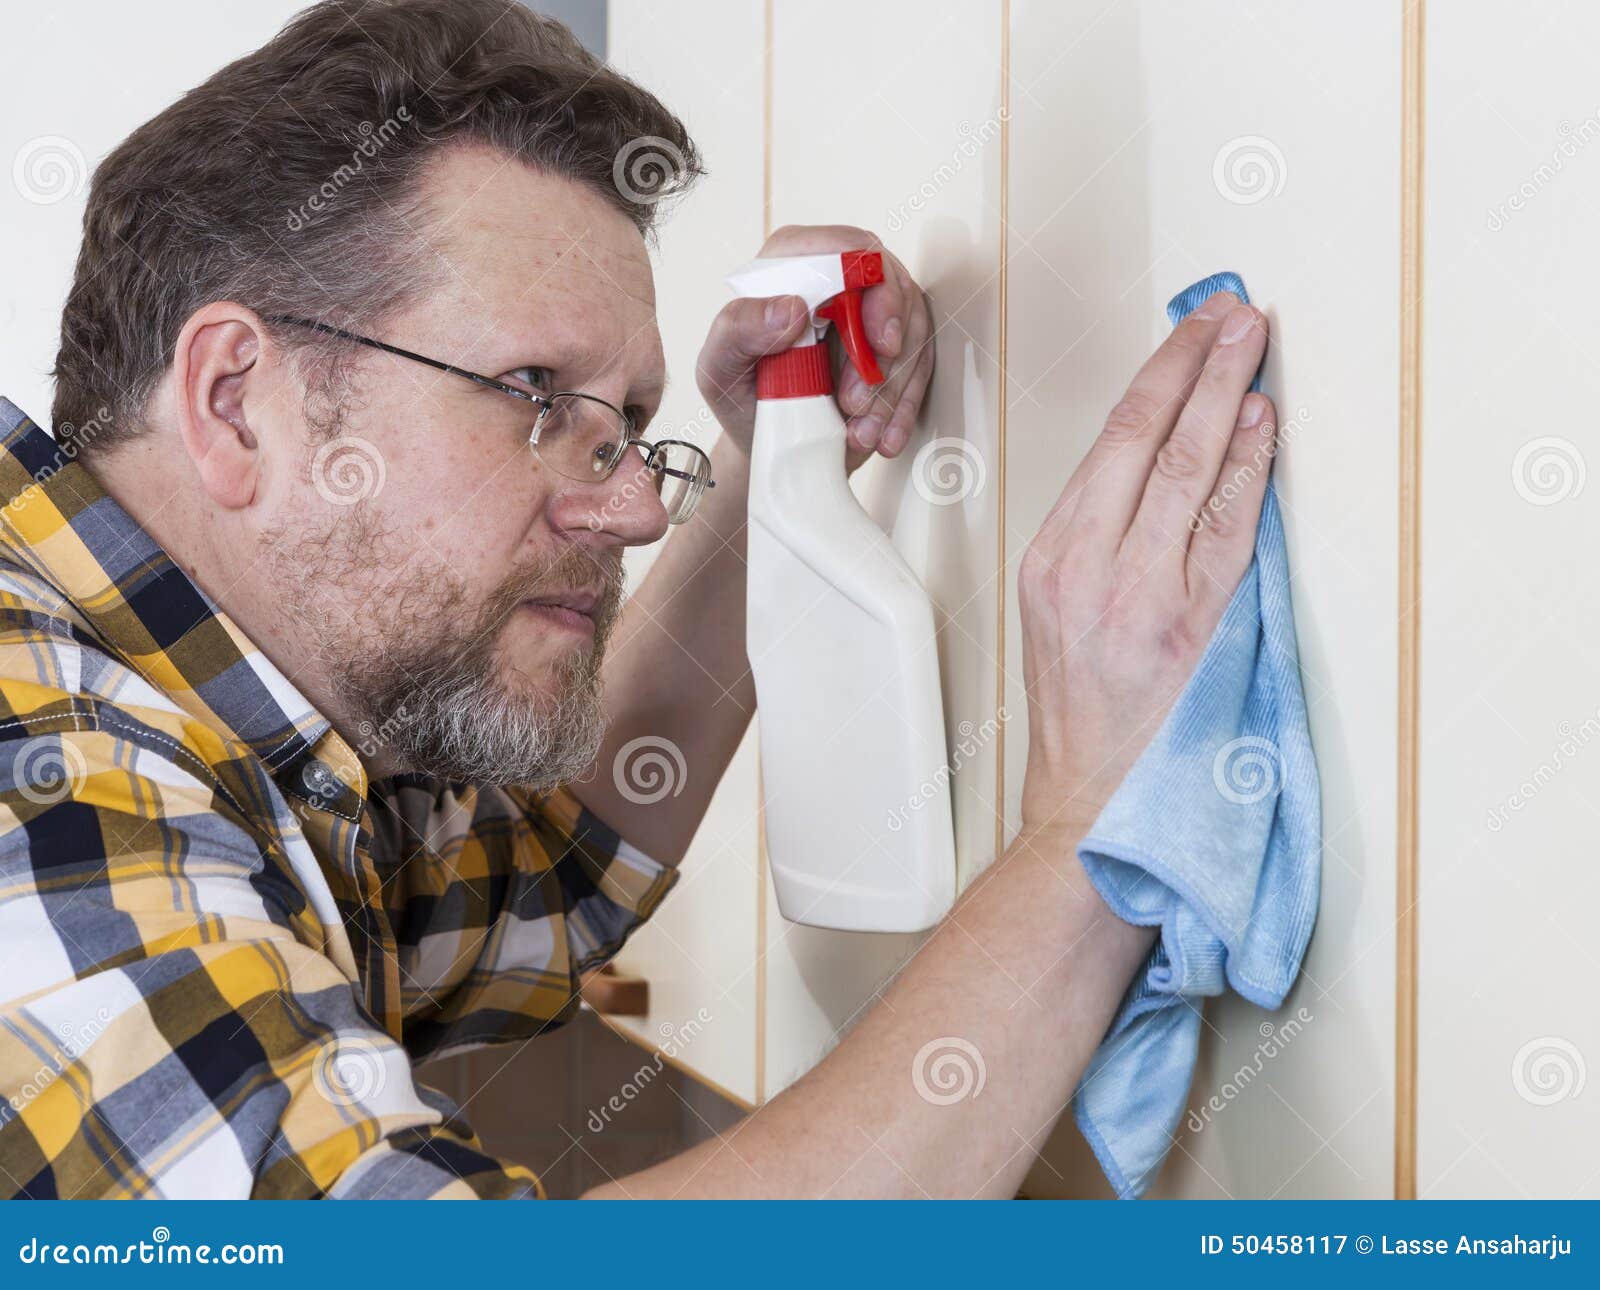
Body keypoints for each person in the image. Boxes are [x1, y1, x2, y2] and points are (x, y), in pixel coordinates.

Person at [0, 0, 1274, 1198]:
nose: (636, 506)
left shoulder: (258, 737)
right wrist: (1086, 840)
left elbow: (553, 872)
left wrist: (774, 447)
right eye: (537, 395)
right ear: (236, 399)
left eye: (631, 426)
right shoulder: (42, 784)